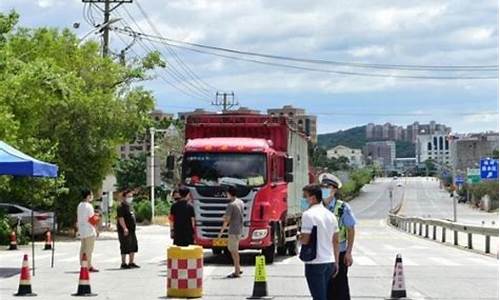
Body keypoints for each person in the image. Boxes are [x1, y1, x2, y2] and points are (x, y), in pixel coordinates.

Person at [319, 173, 357, 300]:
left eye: (327, 187)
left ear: (334, 189)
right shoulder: (316, 207)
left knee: (340, 288)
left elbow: (350, 229)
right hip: (322, 254)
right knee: (324, 289)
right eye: (322, 187)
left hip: (340, 253)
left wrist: (349, 252)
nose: (324, 189)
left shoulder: (342, 207)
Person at [300, 184, 340, 300]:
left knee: (318, 297)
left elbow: (305, 239)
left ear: (312, 198)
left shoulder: (308, 215)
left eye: (305, 196)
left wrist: (299, 237)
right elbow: (336, 240)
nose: (304, 199)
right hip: (329, 261)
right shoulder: (331, 215)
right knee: (323, 295)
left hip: (315, 262)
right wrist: (336, 262)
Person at [217, 185, 244, 278]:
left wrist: (221, 232)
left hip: (233, 230)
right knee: (235, 250)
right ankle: (238, 268)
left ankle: (237, 271)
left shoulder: (231, 205)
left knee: (233, 251)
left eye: (227, 193)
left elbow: (227, 220)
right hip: (239, 229)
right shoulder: (240, 202)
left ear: (229, 193)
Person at [77, 188, 99, 272]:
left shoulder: (80, 205)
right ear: (88, 196)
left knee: (83, 248)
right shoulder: (89, 206)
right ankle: (88, 265)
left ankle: (83, 264)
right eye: (91, 195)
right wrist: (97, 229)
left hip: (82, 230)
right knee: (89, 249)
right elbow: (92, 219)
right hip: (89, 230)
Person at [117, 190, 139, 269]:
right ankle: (123, 263)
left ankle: (131, 262)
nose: (130, 198)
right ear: (124, 197)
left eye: (131, 196)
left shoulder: (130, 206)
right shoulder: (121, 207)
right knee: (125, 245)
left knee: (133, 245)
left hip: (132, 230)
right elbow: (121, 218)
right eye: (128, 196)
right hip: (125, 230)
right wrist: (124, 228)